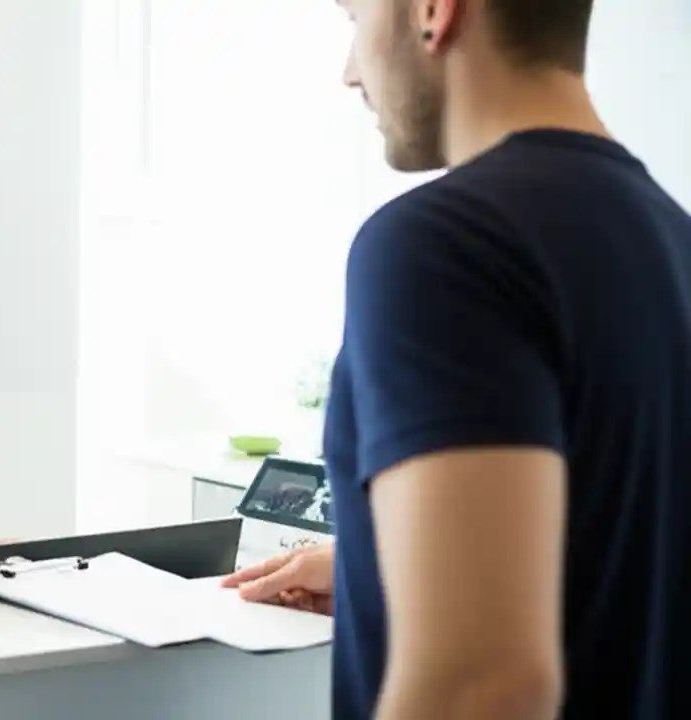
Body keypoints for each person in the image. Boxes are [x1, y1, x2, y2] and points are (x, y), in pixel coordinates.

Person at [224, 1, 690, 718]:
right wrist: (376, 577)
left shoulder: (443, 246)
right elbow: (616, 564)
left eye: (355, 21)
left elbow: (481, 686)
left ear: (434, 11)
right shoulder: (669, 239)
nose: (351, 73)